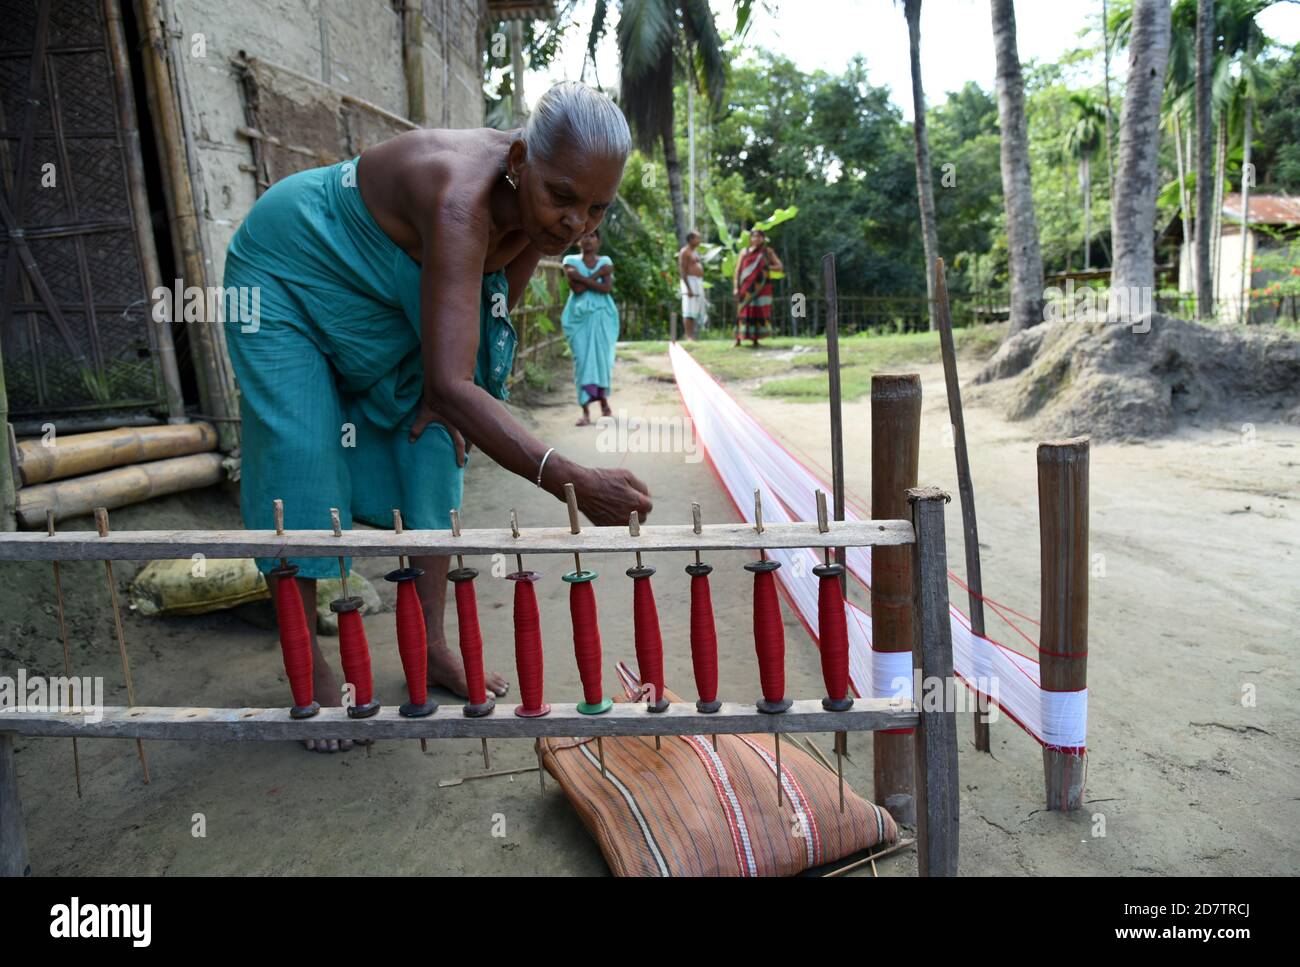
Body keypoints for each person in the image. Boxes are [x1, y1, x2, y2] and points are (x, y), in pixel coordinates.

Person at [222, 82, 653, 751]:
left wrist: (458, 390)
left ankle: (427, 647)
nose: (575, 223)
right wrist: (571, 478)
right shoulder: (461, 198)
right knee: (300, 456)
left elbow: (488, 309)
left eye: (597, 207)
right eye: (562, 197)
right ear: (518, 158)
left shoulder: (540, 214)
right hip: (291, 266)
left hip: (385, 285)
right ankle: (306, 664)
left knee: (437, 443)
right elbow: (453, 380)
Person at [561, 230, 619, 426]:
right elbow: (576, 289)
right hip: (577, 319)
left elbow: (606, 289)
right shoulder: (569, 260)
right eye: (585, 236)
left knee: (602, 361)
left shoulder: (605, 260)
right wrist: (598, 275)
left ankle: (604, 405)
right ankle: (585, 411)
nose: (588, 239)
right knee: (582, 361)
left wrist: (583, 278)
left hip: (603, 316)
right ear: (578, 240)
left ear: (599, 240)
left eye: (593, 236)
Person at [732, 228, 784, 347]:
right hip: (745, 287)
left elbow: (779, 266)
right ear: (750, 239)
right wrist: (735, 287)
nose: (756, 239)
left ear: (763, 239)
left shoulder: (767, 252)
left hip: (762, 287)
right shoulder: (744, 252)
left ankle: (755, 339)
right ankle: (738, 339)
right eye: (754, 236)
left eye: (759, 237)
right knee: (742, 311)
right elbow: (738, 271)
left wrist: (766, 267)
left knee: (758, 312)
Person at [678, 230, 707, 340]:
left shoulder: (695, 251)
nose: (699, 241)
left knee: (695, 310)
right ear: (690, 240)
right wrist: (688, 288)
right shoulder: (684, 252)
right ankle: (688, 335)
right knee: (688, 309)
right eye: (697, 238)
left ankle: (692, 335)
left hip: (697, 281)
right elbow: (682, 269)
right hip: (689, 281)